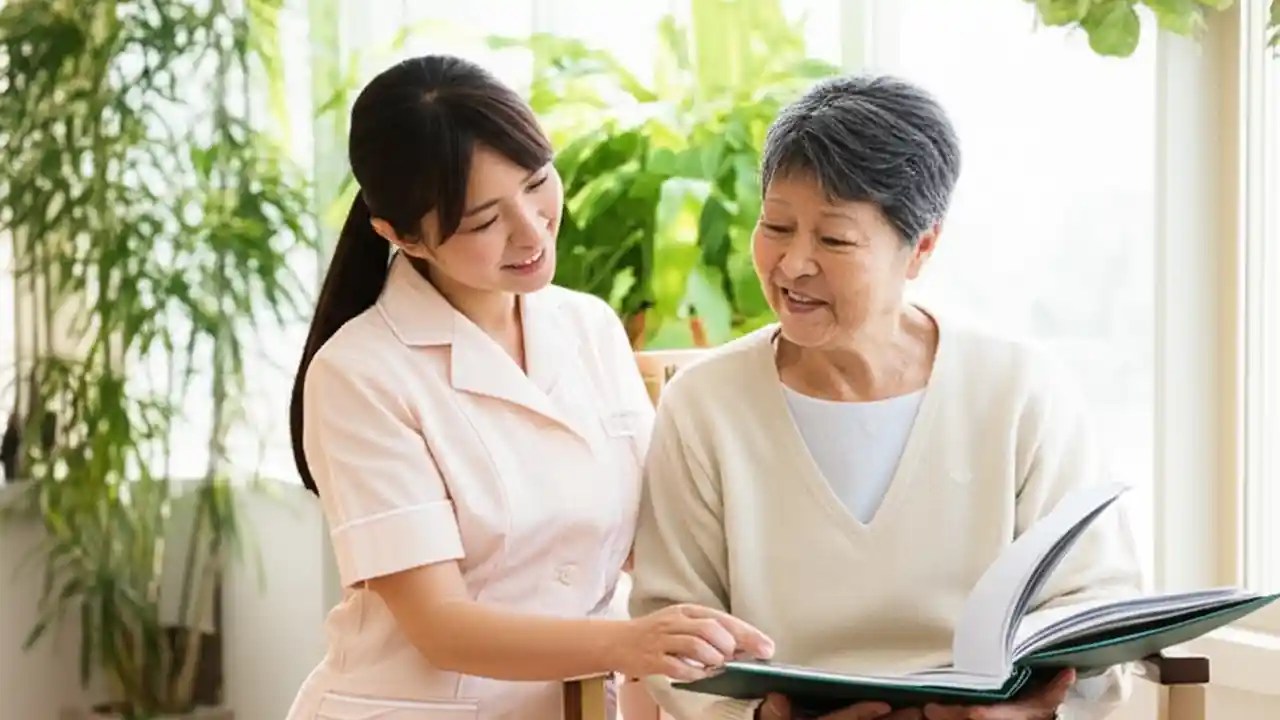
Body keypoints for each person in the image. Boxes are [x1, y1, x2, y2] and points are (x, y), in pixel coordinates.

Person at [628, 73, 1145, 720]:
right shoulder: (705, 404)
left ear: (921, 248)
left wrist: (1024, 714)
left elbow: (1095, 606)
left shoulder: (1020, 392)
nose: (792, 265)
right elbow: (670, 621)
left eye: (835, 239)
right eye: (777, 226)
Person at [285, 54, 773, 720]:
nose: (531, 227)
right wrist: (630, 643)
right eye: (484, 221)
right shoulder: (360, 373)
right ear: (400, 235)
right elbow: (441, 627)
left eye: (538, 181)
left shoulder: (589, 326)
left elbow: (651, 542)